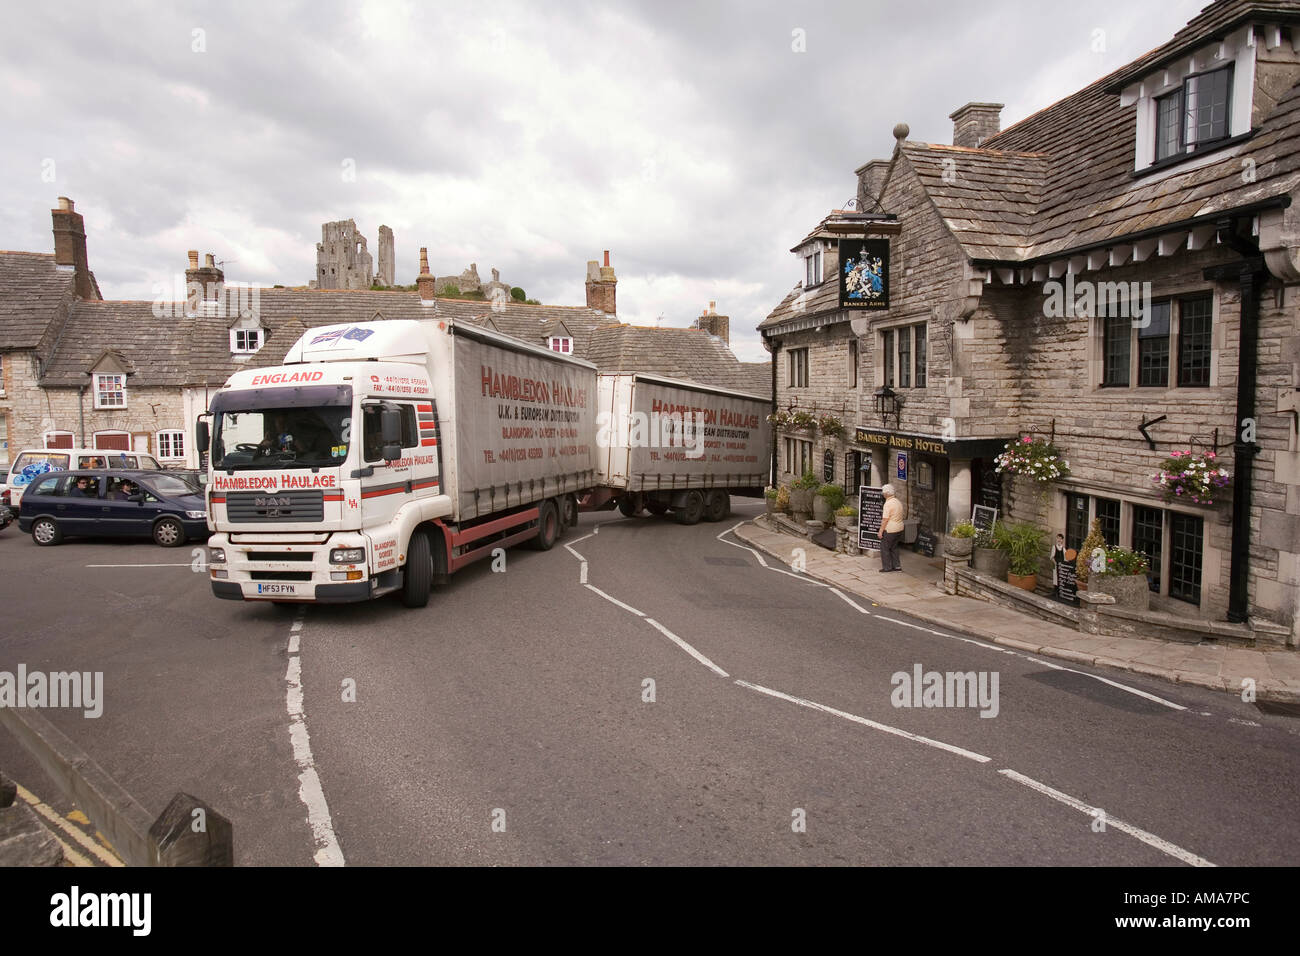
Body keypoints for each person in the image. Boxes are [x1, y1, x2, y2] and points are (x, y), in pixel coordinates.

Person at [878, 483, 904, 572]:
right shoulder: (898, 502)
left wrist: (881, 531)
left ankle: (887, 567)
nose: (883, 494)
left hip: (890, 529)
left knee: (885, 548)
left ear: (886, 494)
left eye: (883, 493)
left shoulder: (888, 504)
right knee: (894, 547)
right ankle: (897, 567)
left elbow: (885, 519)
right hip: (900, 528)